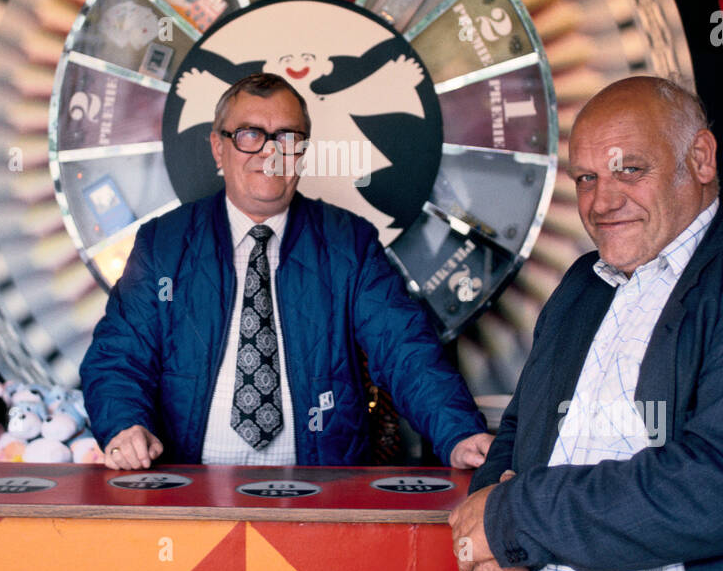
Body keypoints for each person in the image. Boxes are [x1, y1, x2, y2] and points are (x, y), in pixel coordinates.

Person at [448, 76, 723, 571]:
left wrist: (511, 520)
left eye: (629, 170)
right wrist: (485, 542)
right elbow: (519, 433)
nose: (602, 202)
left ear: (701, 159)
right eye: (587, 178)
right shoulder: (582, 285)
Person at [80, 72, 492, 470]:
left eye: (287, 137)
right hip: (192, 491)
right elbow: (119, 356)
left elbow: (405, 350)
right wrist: (124, 426)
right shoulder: (164, 244)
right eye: (249, 134)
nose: (269, 152)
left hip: (322, 495)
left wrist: (458, 433)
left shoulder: (350, 242)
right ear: (217, 148)